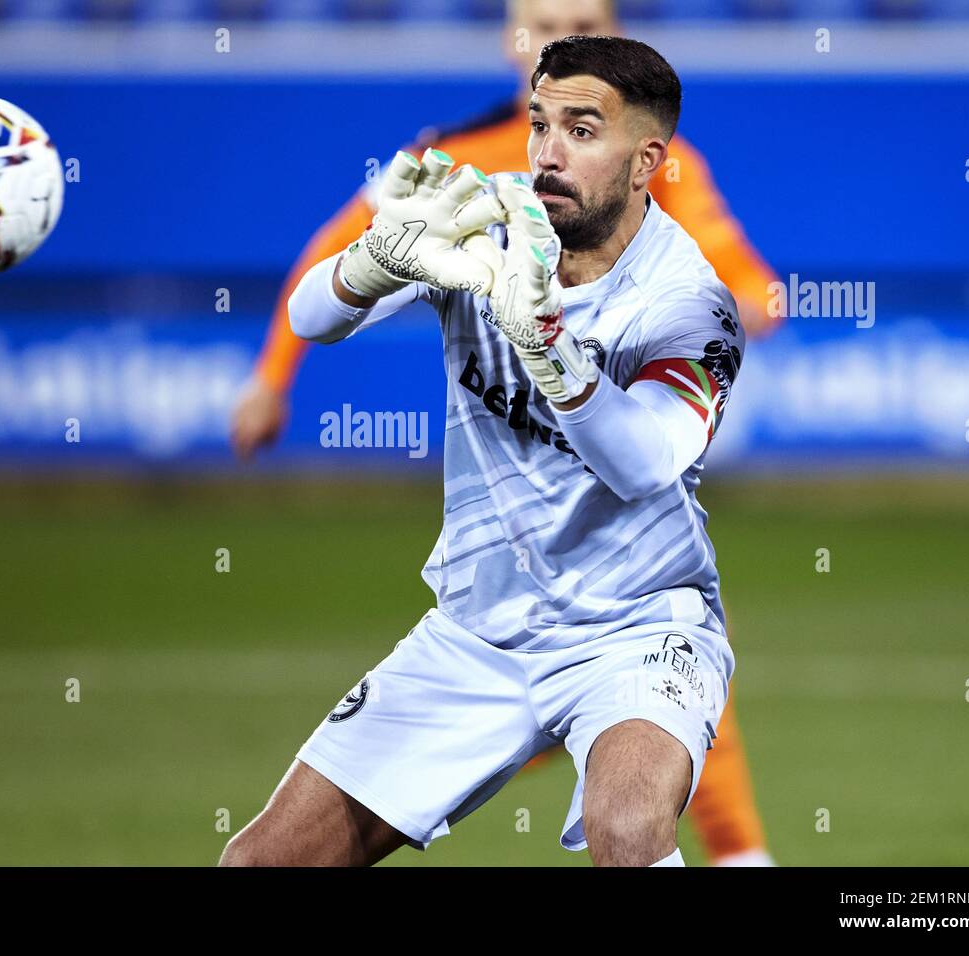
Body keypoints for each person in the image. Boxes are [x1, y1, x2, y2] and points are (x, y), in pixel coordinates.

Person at [232, 0, 774, 867]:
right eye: (539, 124)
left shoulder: (689, 304)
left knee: (629, 830)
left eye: (582, 129)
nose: (548, 151)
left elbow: (644, 464)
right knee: (263, 862)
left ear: (647, 163)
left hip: (635, 627)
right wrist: (378, 262)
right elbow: (311, 313)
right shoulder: (487, 219)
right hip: (476, 630)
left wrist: (551, 350)